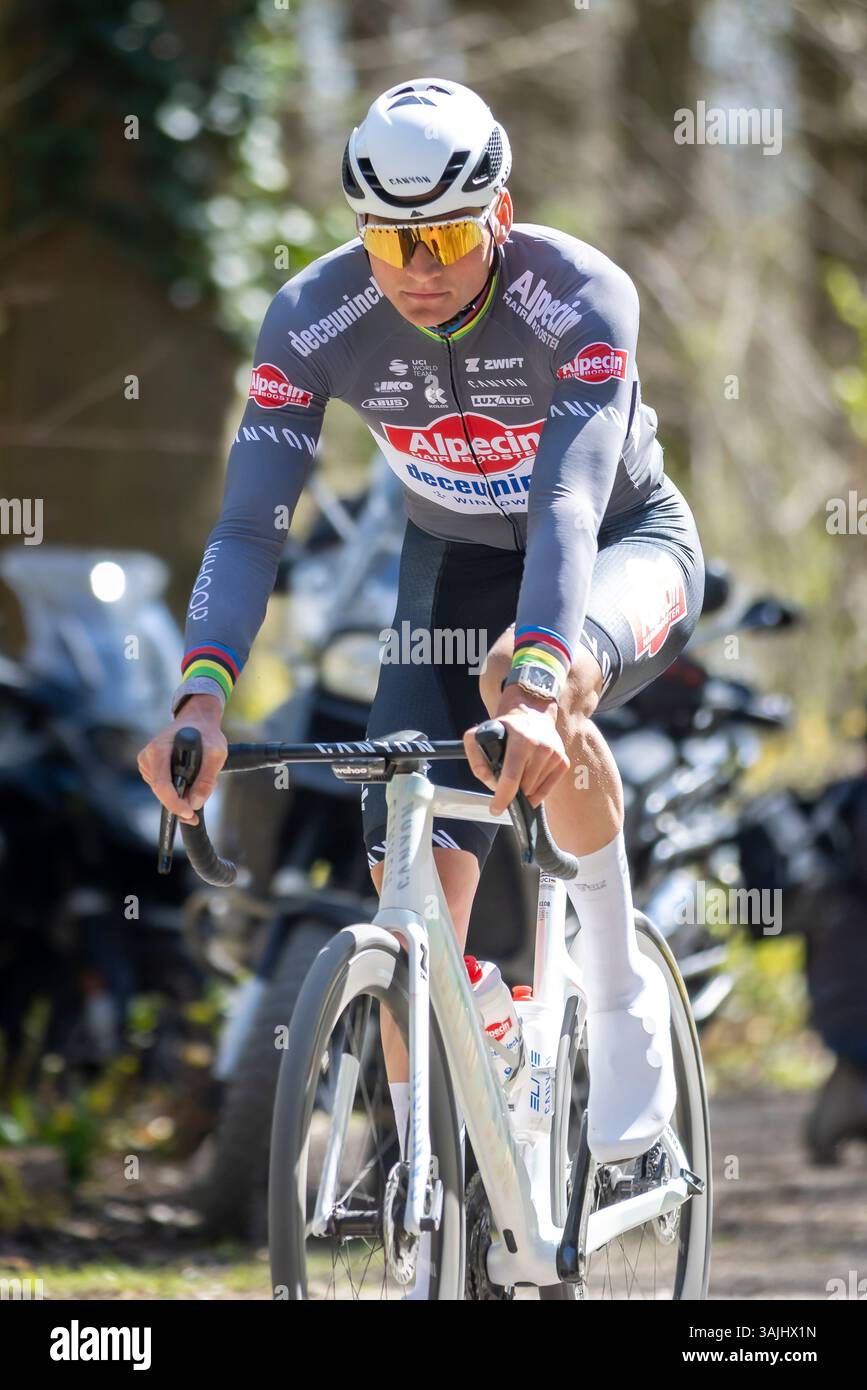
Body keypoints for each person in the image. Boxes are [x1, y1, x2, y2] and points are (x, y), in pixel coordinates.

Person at [138, 78, 705, 1181]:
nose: (418, 267)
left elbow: (569, 505)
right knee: (407, 910)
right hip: (448, 566)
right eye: (389, 241)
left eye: (444, 233)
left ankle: (619, 981)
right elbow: (253, 521)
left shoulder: (581, 293)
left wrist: (540, 681)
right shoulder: (314, 315)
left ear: (501, 211)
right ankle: (436, 1194)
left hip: (620, 548)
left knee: (524, 676)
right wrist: (200, 694)